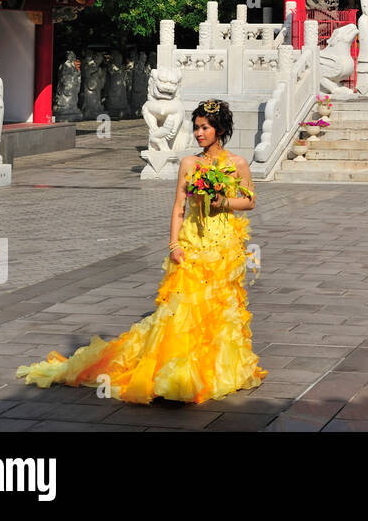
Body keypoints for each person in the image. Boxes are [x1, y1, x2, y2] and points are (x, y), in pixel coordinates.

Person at [16, 99, 267, 403]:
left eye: (205, 127)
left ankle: (214, 368)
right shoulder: (190, 164)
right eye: (196, 127)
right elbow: (178, 207)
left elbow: (250, 200)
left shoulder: (237, 163)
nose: (199, 133)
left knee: (220, 310)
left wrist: (223, 202)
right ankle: (179, 372)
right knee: (181, 311)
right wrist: (174, 245)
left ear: (220, 129)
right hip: (191, 244)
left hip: (224, 247)